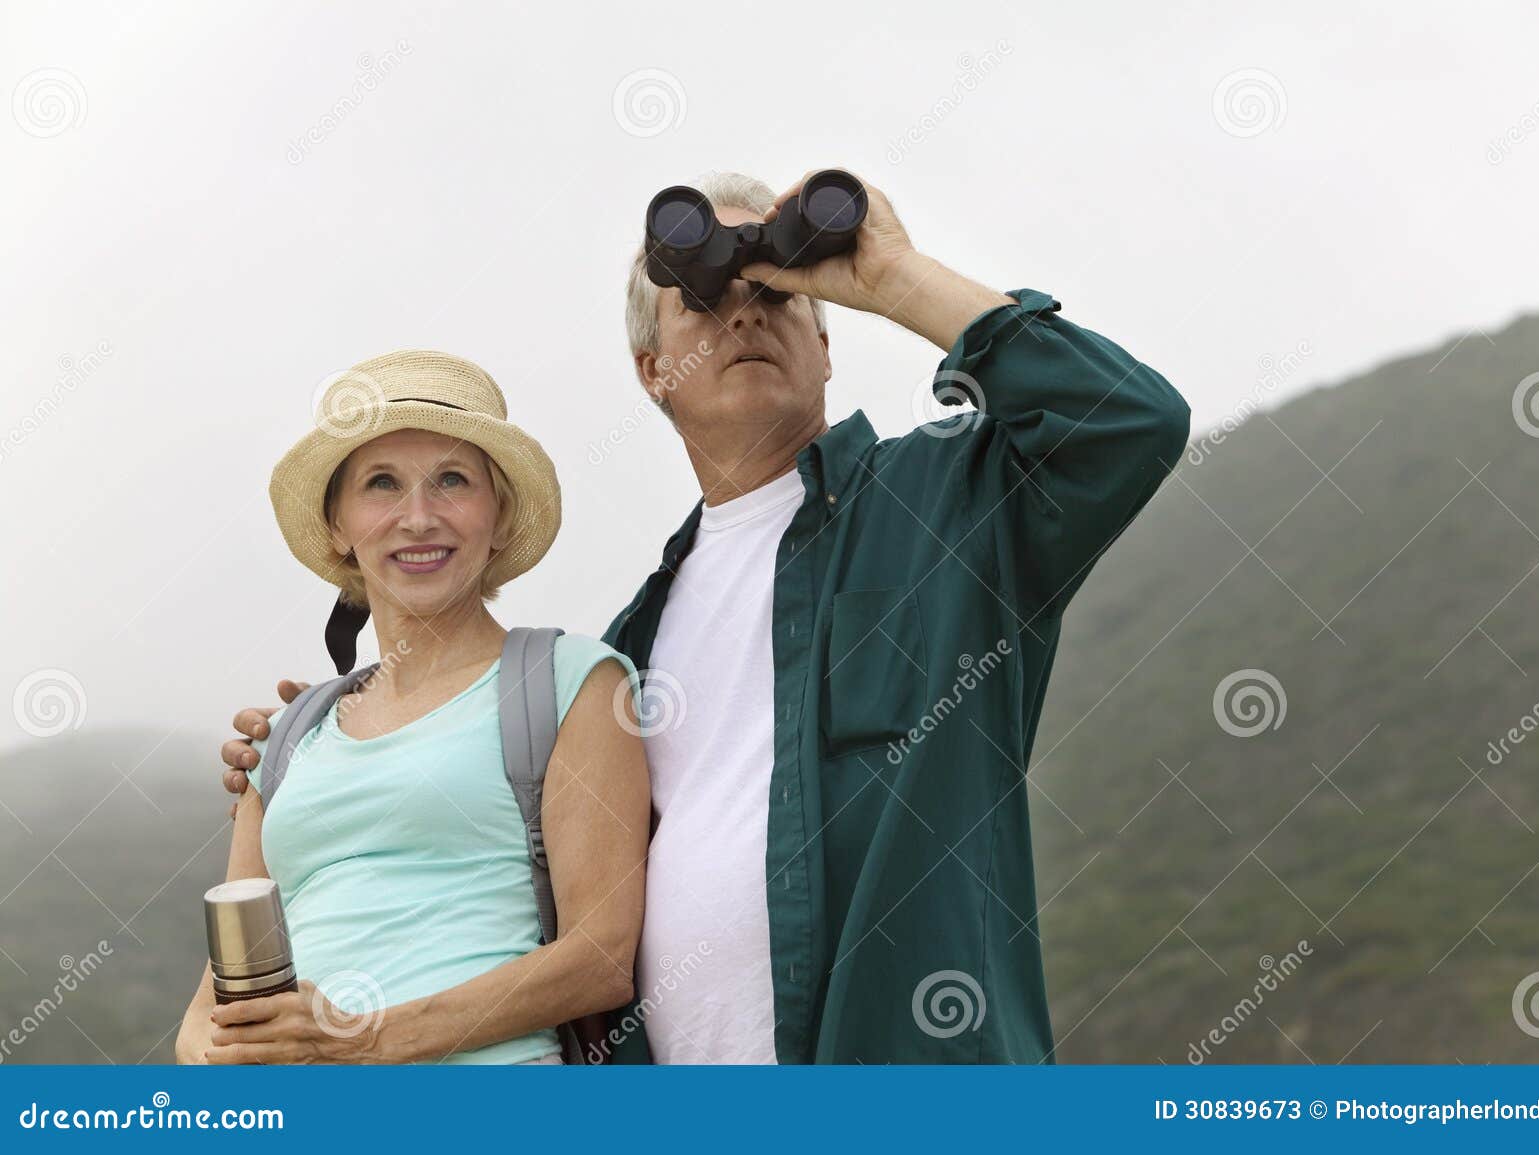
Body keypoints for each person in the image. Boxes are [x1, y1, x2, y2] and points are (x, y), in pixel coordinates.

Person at [221, 171, 1189, 1063]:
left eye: (778, 292)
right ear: (652, 371)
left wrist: (890, 275)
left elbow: (1126, 423)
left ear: (827, 341)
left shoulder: (942, 511)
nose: (744, 311)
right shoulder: (629, 641)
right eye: (708, 295)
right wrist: (339, 730)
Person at [181, 350, 649, 1064]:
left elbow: (602, 954)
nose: (419, 517)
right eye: (381, 484)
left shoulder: (571, 682)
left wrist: (362, 1041)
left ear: (498, 517)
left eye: (452, 480)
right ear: (338, 526)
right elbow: (213, 1002)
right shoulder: (284, 736)